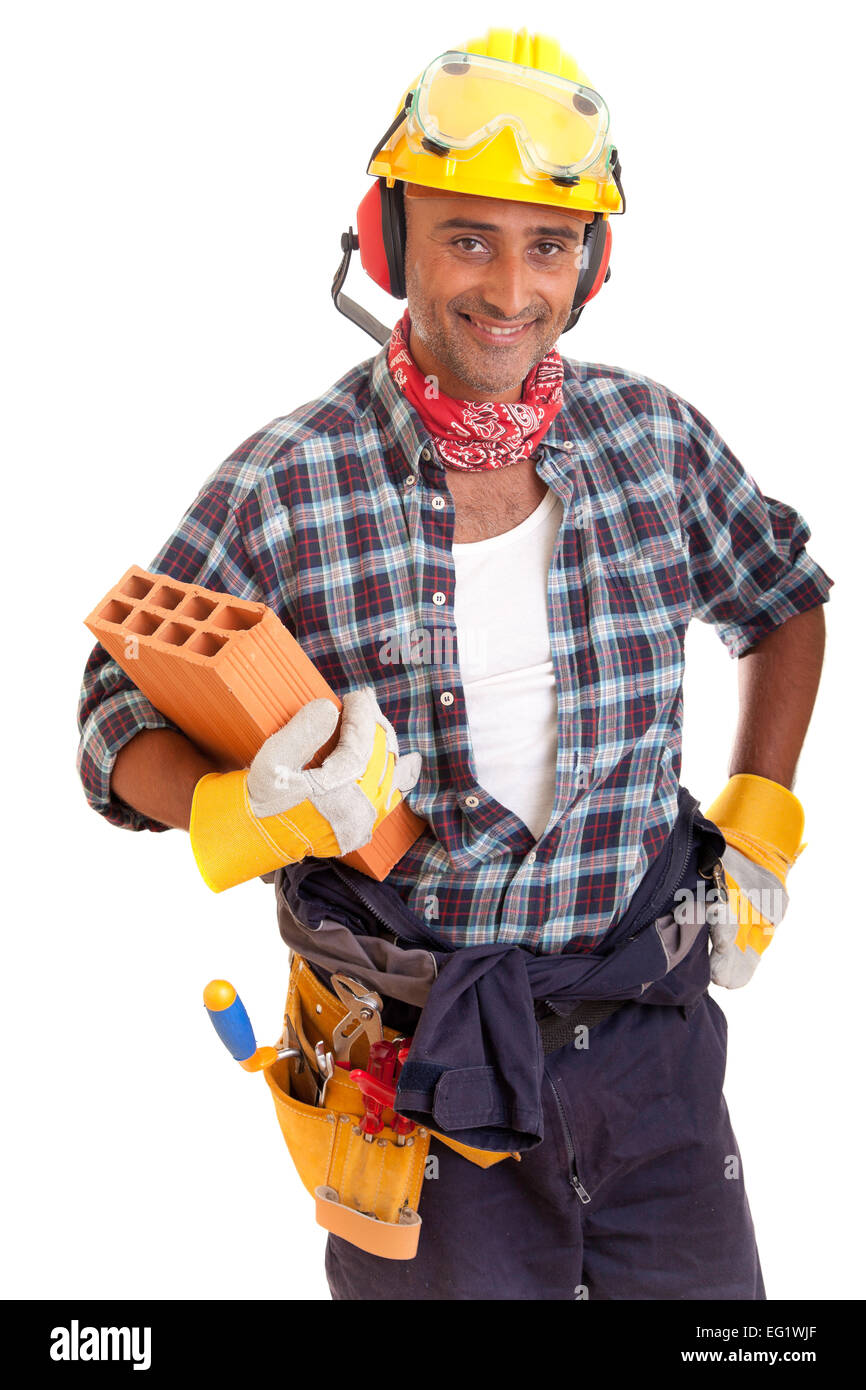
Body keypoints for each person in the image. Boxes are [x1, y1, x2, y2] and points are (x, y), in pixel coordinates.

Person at [76, 26, 831, 1299]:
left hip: (651, 1051)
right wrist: (233, 811)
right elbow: (108, 718)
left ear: (590, 265)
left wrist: (759, 825)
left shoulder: (651, 438)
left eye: (546, 244)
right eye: (465, 236)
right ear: (389, 242)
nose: (507, 287)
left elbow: (780, 597)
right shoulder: (284, 483)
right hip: (411, 1079)